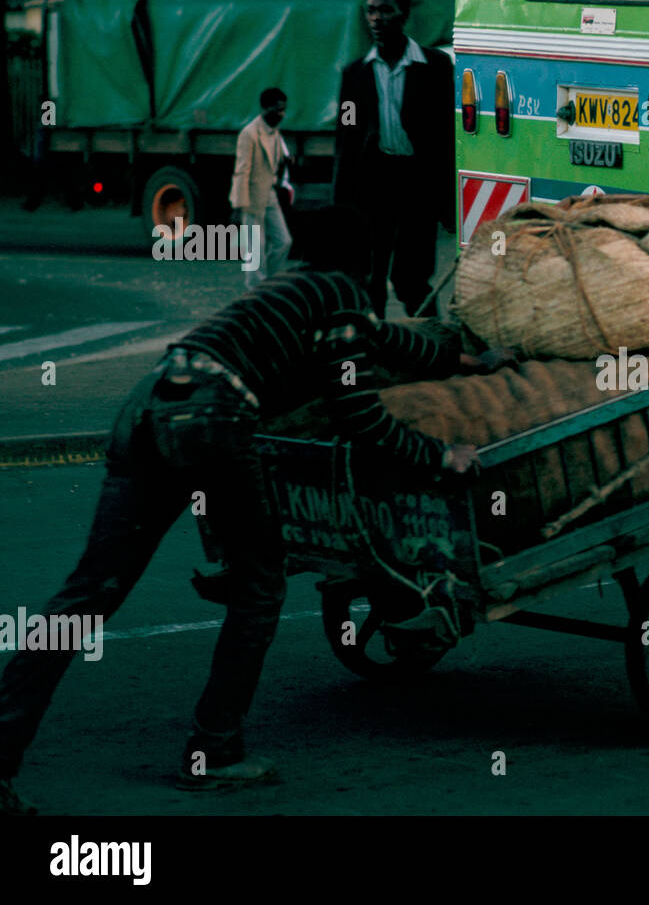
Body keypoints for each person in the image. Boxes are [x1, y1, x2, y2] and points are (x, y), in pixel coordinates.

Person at [0, 206, 493, 815]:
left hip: (146, 410)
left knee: (86, 596)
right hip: (211, 422)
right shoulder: (340, 293)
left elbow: (379, 338)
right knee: (260, 588)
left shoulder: (286, 290)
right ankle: (215, 751)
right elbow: (359, 417)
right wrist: (442, 457)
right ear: (364, 258)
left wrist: (457, 361)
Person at [332, 0, 455, 317]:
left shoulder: (435, 69)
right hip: (372, 183)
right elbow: (347, 138)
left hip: (417, 184)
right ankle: (371, 354)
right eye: (371, 11)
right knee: (368, 279)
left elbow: (447, 137)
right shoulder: (355, 75)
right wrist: (340, 205)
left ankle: (432, 346)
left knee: (412, 279)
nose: (376, 18)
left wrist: (448, 204)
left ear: (403, 15)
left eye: (386, 10)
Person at [231, 87, 295, 290]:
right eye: (277, 109)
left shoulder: (274, 132)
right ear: (265, 108)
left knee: (283, 241)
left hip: (269, 195)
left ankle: (269, 282)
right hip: (251, 198)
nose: (282, 114)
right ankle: (255, 290)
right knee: (255, 250)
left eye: (284, 109)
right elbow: (241, 171)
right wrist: (239, 205)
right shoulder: (249, 134)